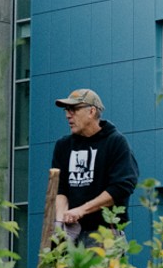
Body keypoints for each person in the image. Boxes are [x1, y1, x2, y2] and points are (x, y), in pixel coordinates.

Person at [51, 88, 138, 241]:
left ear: (91, 111)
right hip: (70, 234)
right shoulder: (63, 145)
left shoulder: (115, 142)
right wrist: (60, 223)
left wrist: (82, 210)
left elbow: (122, 187)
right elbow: (60, 188)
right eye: (66, 110)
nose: (67, 115)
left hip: (105, 234)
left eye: (73, 109)